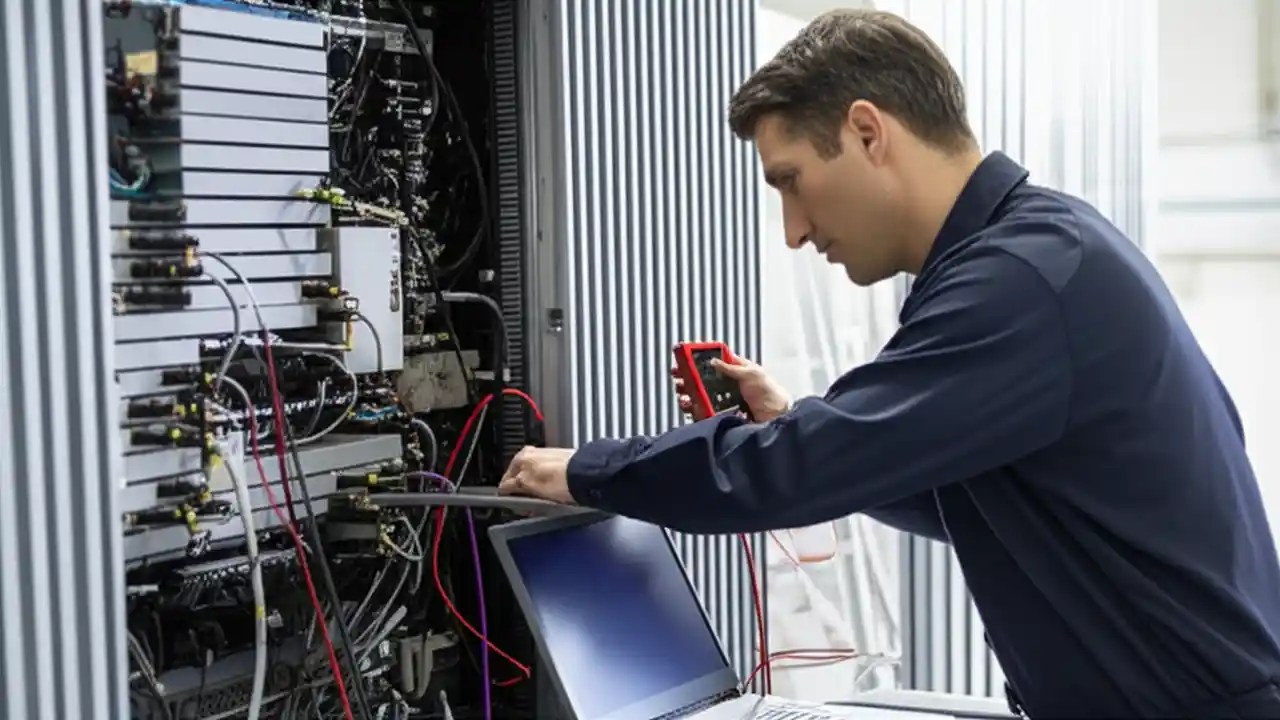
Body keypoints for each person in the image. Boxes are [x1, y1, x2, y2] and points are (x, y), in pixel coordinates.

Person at [498, 8, 1280, 718]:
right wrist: (799, 422)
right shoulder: (1040, 249)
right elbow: (974, 501)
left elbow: (797, 471)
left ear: (869, 133)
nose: (793, 231)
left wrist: (589, 471)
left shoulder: (1021, 280)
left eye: (791, 181)